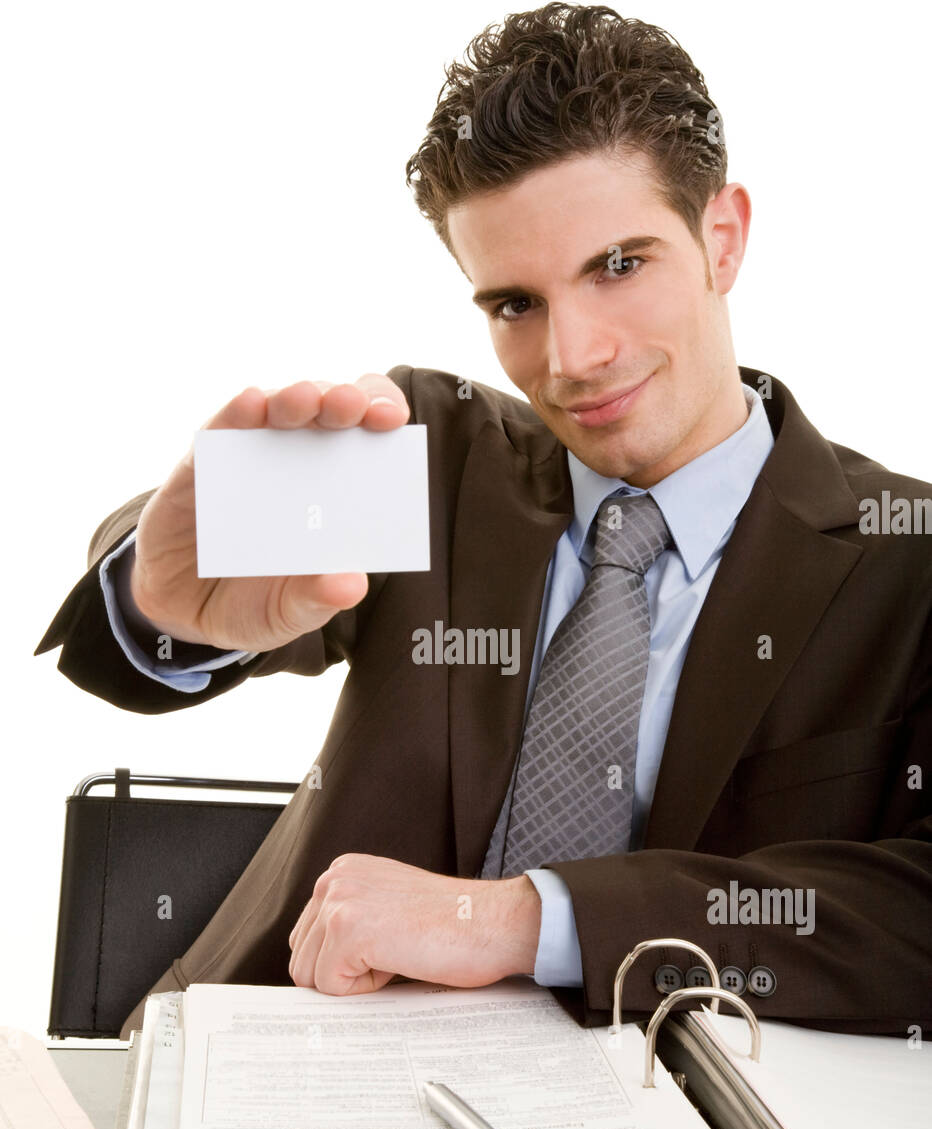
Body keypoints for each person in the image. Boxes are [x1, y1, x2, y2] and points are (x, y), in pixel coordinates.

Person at [35, 5, 931, 1041]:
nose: (571, 357)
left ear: (720, 237)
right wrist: (159, 598)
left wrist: (519, 920)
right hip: (308, 1083)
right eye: (513, 304)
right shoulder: (431, 454)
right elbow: (173, 562)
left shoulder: (904, 561)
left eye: (617, 265)